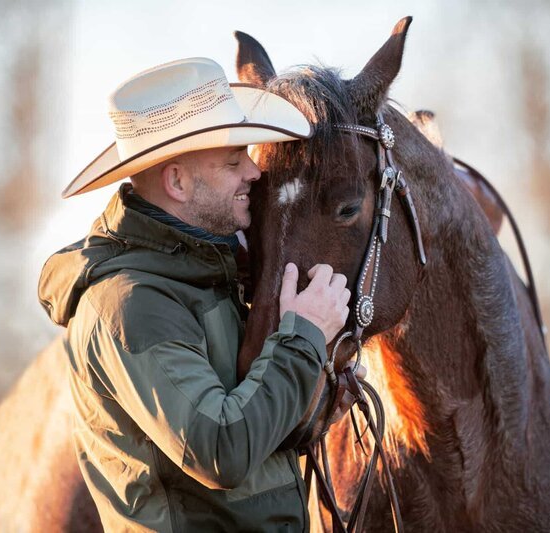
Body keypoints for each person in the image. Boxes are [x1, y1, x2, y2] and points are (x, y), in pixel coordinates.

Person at [38, 58, 351, 532]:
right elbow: (220, 449)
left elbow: (250, 431)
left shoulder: (201, 276)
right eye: (233, 161)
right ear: (177, 182)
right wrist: (303, 338)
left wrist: (317, 394)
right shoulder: (130, 306)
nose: (254, 172)